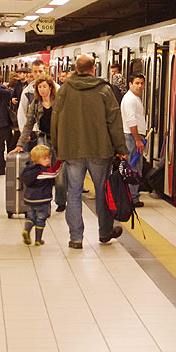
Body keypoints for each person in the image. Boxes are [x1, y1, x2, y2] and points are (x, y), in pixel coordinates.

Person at [51, 54, 127, 249]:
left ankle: (76, 238)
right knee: (102, 191)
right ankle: (104, 232)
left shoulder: (65, 89)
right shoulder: (103, 90)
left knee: (74, 192)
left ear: (76, 69)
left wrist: (58, 148)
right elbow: (114, 121)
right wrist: (121, 148)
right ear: (93, 69)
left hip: (71, 150)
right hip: (100, 150)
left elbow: (55, 120)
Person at [12, 75, 60, 209]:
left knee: (59, 175)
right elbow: (28, 125)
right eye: (39, 87)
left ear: (51, 88)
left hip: (59, 140)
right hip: (43, 139)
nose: (42, 90)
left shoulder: (59, 102)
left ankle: (61, 200)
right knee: (43, 172)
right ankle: (46, 203)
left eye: (45, 86)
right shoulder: (36, 104)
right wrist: (20, 144)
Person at [121, 74, 147, 207]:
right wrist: (138, 140)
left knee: (134, 166)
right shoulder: (130, 99)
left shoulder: (134, 98)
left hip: (133, 137)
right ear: (130, 84)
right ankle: (133, 198)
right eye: (137, 83)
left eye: (142, 83)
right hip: (132, 137)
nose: (140, 86)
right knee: (134, 168)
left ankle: (132, 196)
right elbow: (131, 121)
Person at [21, 145, 55, 246]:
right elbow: (55, 173)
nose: (48, 160)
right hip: (42, 200)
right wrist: (60, 162)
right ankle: (38, 239)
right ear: (37, 160)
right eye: (45, 158)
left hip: (30, 199)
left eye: (49, 157)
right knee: (41, 219)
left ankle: (26, 230)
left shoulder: (28, 170)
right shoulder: (43, 171)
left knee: (31, 216)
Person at [17, 60, 53, 134]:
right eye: (35, 72)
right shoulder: (27, 92)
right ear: (32, 72)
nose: (38, 74)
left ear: (44, 71)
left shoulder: (55, 88)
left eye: (40, 71)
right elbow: (21, 112)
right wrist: (23, 131)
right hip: (33, 131)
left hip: (51, 131)